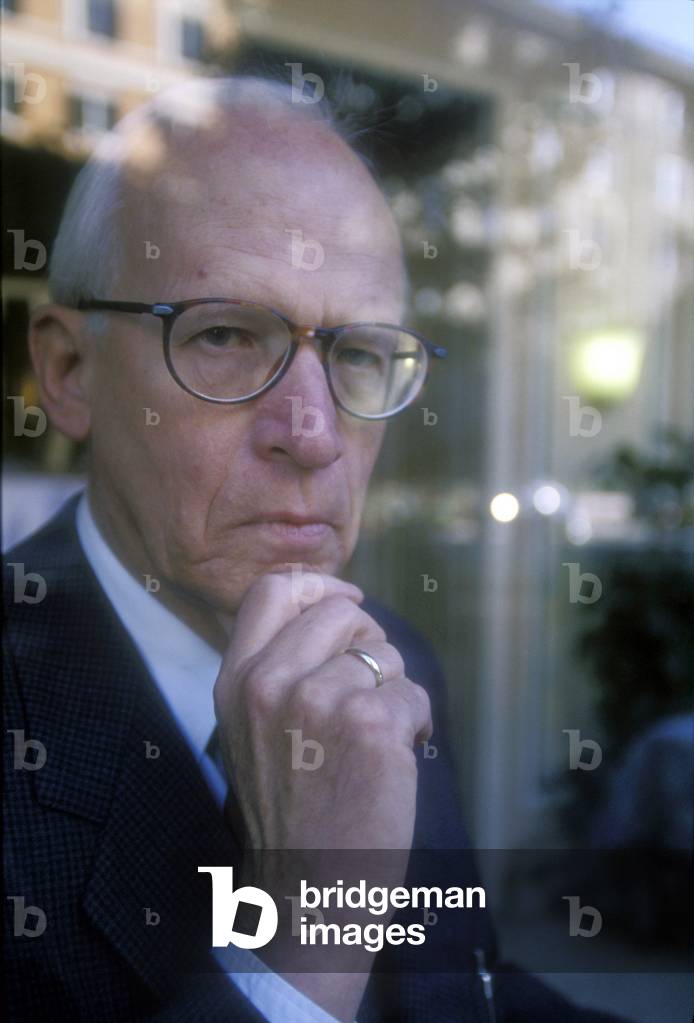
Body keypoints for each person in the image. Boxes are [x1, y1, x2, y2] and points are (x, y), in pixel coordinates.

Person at [4, 76, 628, 1023]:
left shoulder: (392, 660)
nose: (315, 433)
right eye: (223, 335)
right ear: (68, 370)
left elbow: (470, 992)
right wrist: (304, 947)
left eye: (359, 353)